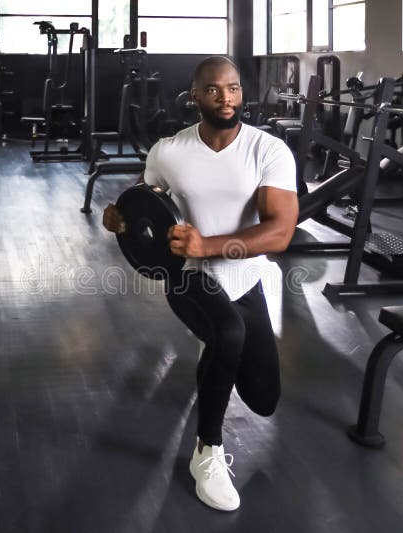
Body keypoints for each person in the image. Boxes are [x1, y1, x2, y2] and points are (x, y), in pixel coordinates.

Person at [102, 56, 298, 512]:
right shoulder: (168, 151)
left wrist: (207, 244)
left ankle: (215, 365)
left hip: (244, 275)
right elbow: (141, 202)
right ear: (195, 96)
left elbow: (279, 233)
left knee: (264, 399)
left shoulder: (267, 151)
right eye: (213, 90)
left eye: (232, 89)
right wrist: (119, 216)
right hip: (187, 274)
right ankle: (207, 452)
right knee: (227, 332)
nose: (225, 98)